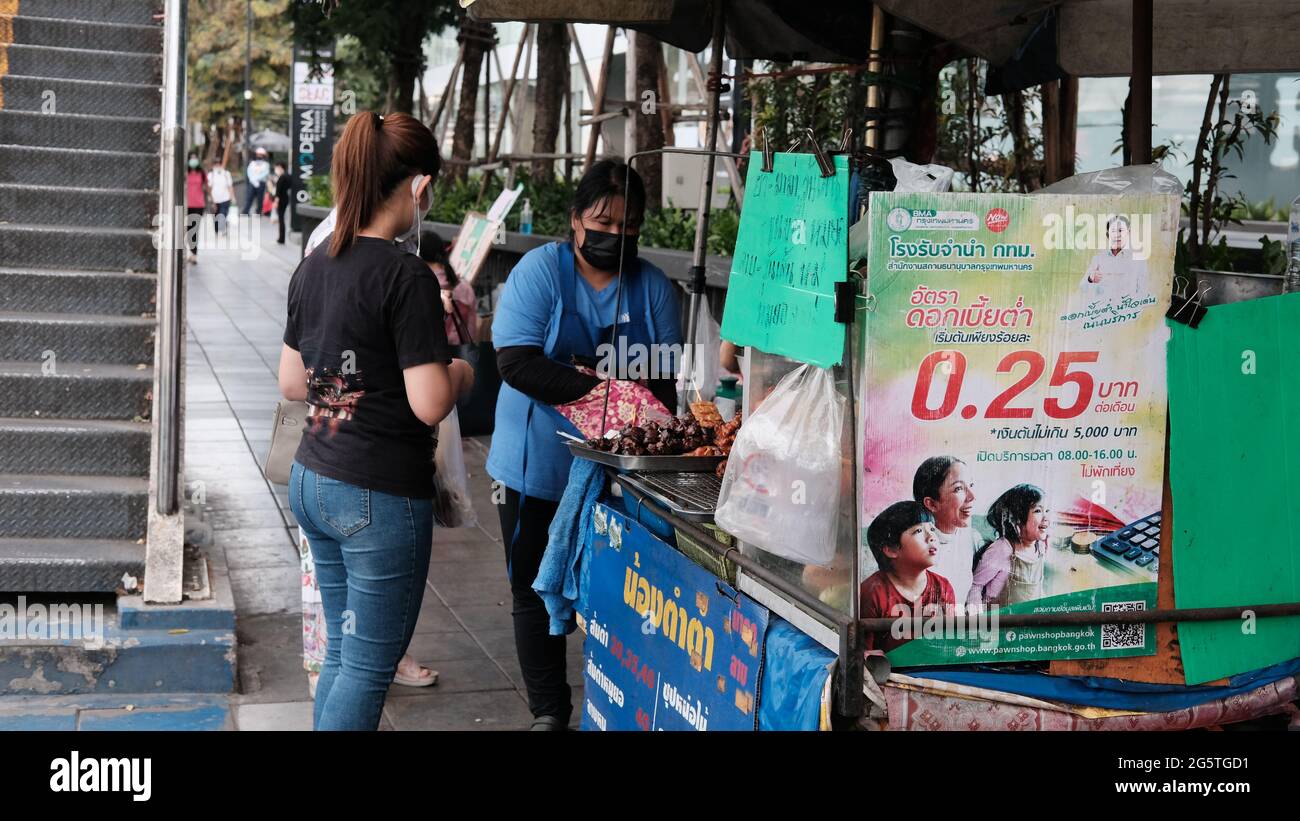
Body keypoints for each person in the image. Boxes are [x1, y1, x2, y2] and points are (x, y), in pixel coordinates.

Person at [278, 111, 474, 730]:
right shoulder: (403, 274)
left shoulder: (315, 263)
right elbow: (430, 402)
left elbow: (290, 382)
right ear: (418, 187)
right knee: (367, 667)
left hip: (314, 478)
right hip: (376, 496)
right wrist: (464, 373)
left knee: (343, 651)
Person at [487, 160, 683, 730]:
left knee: (621, 588)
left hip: (623, 470)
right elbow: (517, 363)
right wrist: (612, 389)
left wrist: (612, 396)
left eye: (628, 225)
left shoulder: (652, 288)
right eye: (602, 221)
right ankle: (550, 712)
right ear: (575, 220)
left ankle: (618, 701)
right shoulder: (541, 271)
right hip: (533, 465)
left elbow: (664, 383)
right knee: (531, 588)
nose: (614, 236)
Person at [859, 501, 954, 654]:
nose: (931, 537)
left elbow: (948, 646)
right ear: (891, 549)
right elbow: (863, 656)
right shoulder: (872, 593)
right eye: (918, 531)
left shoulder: (943, 587)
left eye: (931, 528)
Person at [967, 484, 1051, 608]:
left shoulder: (1039, 547)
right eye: (1038, 511)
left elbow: (1034, 591)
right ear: (1017, 519)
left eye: (1047, 511)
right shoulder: (1001, 549)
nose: (1046, 518)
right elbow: (975, 586)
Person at [913, 455, 982, 603]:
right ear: (931, 504)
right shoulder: (915, 547)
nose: (972, 496)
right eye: (958, 488)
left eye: (971, 485)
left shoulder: (972, 538)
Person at [419, 230, 477, 348]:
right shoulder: (464, 287)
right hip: (462, 354)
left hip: (431, 357)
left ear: (419, 255)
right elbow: (472, 329)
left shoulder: (420, 285)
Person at [1078, 216, 1148, 301]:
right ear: (1108, 235)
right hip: (1101, 311)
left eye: (1120, 230)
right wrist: (1090, 279)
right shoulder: (1099, 258)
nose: (1117, 235)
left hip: (1126, 312)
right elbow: (1083, 287)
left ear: (1128, 233)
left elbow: (1143, 293)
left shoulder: (1138, 260)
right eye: (1113, 231)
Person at [184, 155, 206, 263]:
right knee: (188, 230)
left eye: (195, 158)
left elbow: (207, 187)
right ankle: (188, 252)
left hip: (198, 205)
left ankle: (194, 254)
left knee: (194, 230)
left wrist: (211, 199)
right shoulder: (185, 173)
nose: (193, 161)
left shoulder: (202, 173)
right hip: (186, 205)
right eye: (191, 158)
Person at [207, 161, 234, 235]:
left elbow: (230, 186)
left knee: (223, 214)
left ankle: (223, 229)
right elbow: (209, 187)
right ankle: (216, 229)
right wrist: (210, 197)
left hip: (225, 198)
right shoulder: (210, 175)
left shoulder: (226, 174)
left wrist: (232, 196)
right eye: (216, 164)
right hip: (214, 199)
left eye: (219, 164)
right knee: (216, 215)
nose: (217, 166)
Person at [242, 147, 271, 216]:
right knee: (249, 198)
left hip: (261, 183)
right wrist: (253, 180)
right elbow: (249, 172)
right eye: (258, 154)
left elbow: (265, 173)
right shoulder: (252, 163)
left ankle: (258, 211)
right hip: (252, 183)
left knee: (260, 198)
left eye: (261, 154)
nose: (259, 156)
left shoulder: (266, 164)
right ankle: (245, 211)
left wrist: (257, 179)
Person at [273, 163, 296, 244]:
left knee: (281, 219)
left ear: (280, 167)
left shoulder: (282, 177)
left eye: (277, 168)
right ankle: (281, 238)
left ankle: (281, 238)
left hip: (281, 200)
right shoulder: (288, 176)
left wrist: (275, 202)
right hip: (286, 199)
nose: (276, 170)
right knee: (282, 218)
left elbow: (278, 192)